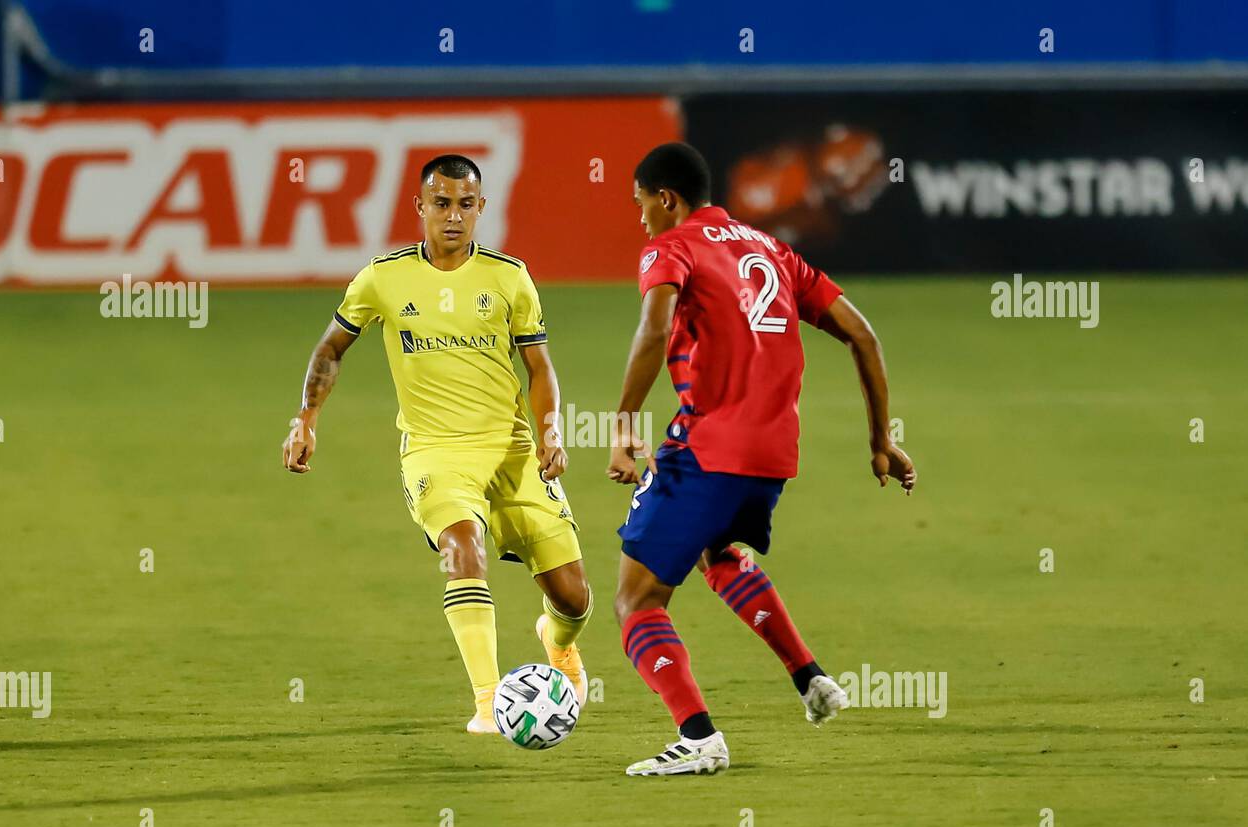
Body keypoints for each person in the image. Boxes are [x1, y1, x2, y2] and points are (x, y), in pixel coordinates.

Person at [607, 143, 917, 776]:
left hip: (708, 447)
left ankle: (698, 739)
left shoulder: (671, 248)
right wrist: (880, 440)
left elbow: (655, 327)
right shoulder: (773, 249)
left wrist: (624, 420)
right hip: (773, 457)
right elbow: (864, 336)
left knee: (636, 601)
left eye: (641, 201)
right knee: (719, 557)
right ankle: (812, 678)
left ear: (666, 197)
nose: (639, 216)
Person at [283, 154, 592, 735]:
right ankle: (488, 704)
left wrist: (551, 431)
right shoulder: (382, 278)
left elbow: (540, 368)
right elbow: (329, 349)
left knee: (573, 597)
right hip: (435, 453)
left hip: (512, 451)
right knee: (462, 548)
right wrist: (306, 418)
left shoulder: (509, 277)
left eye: (465, 204)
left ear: (482, 208)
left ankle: (555, 640)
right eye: (442, 203)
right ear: (419, 207)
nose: (453, 216)